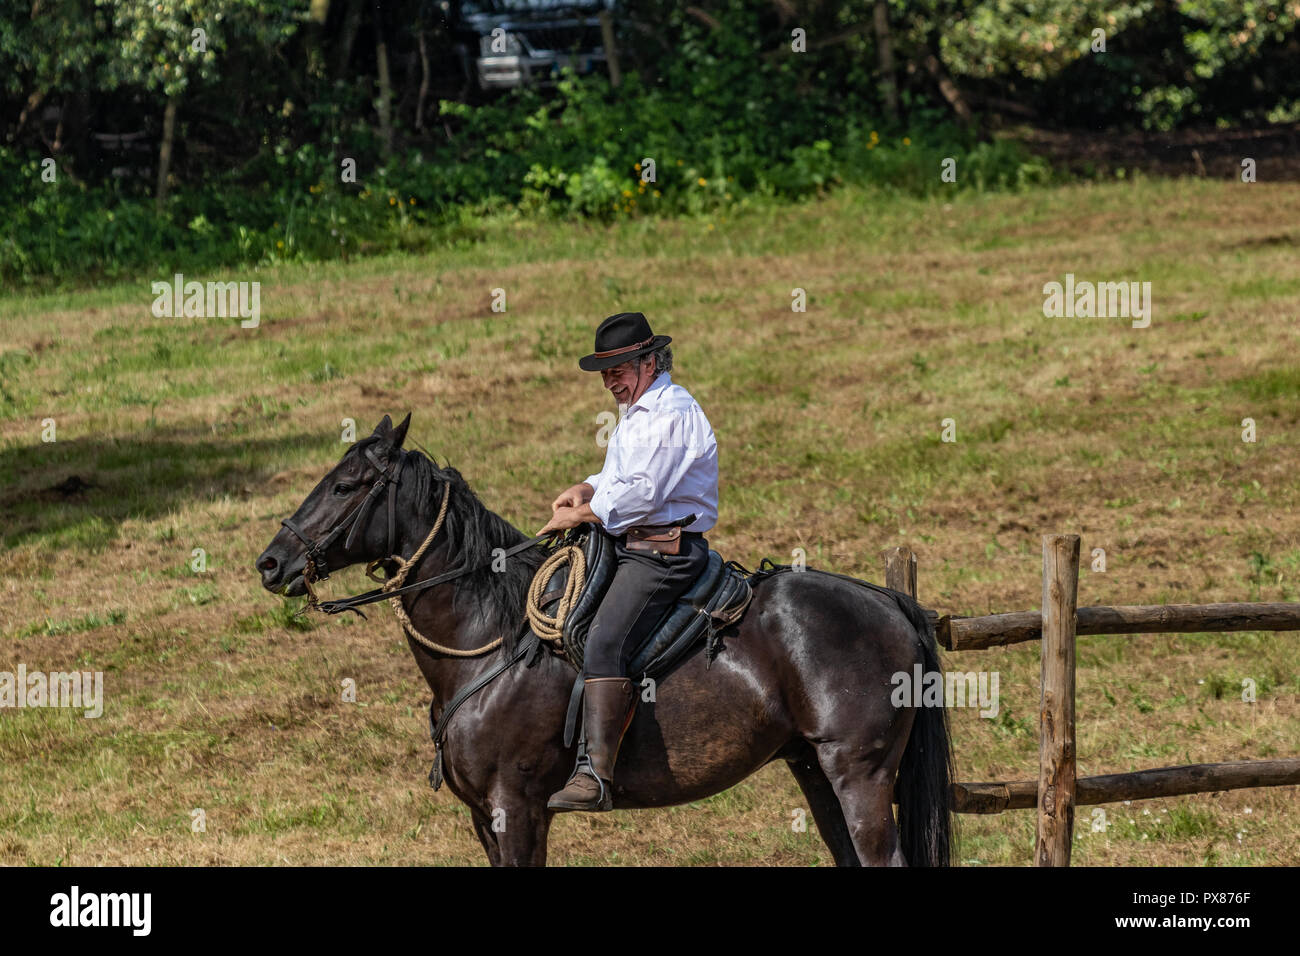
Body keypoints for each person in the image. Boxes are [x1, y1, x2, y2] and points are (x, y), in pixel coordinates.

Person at [538, 311, 719, 812]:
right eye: (605, 372)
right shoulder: (642, 410)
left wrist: (583, 514)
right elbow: (624, 473)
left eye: (619, 368)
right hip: (632, 544)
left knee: (604, 639)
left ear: (648, 362)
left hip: (663, 553)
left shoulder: (672, 412)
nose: (610, 380)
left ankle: (594, 775)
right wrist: (588, 486)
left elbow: (643, 492)